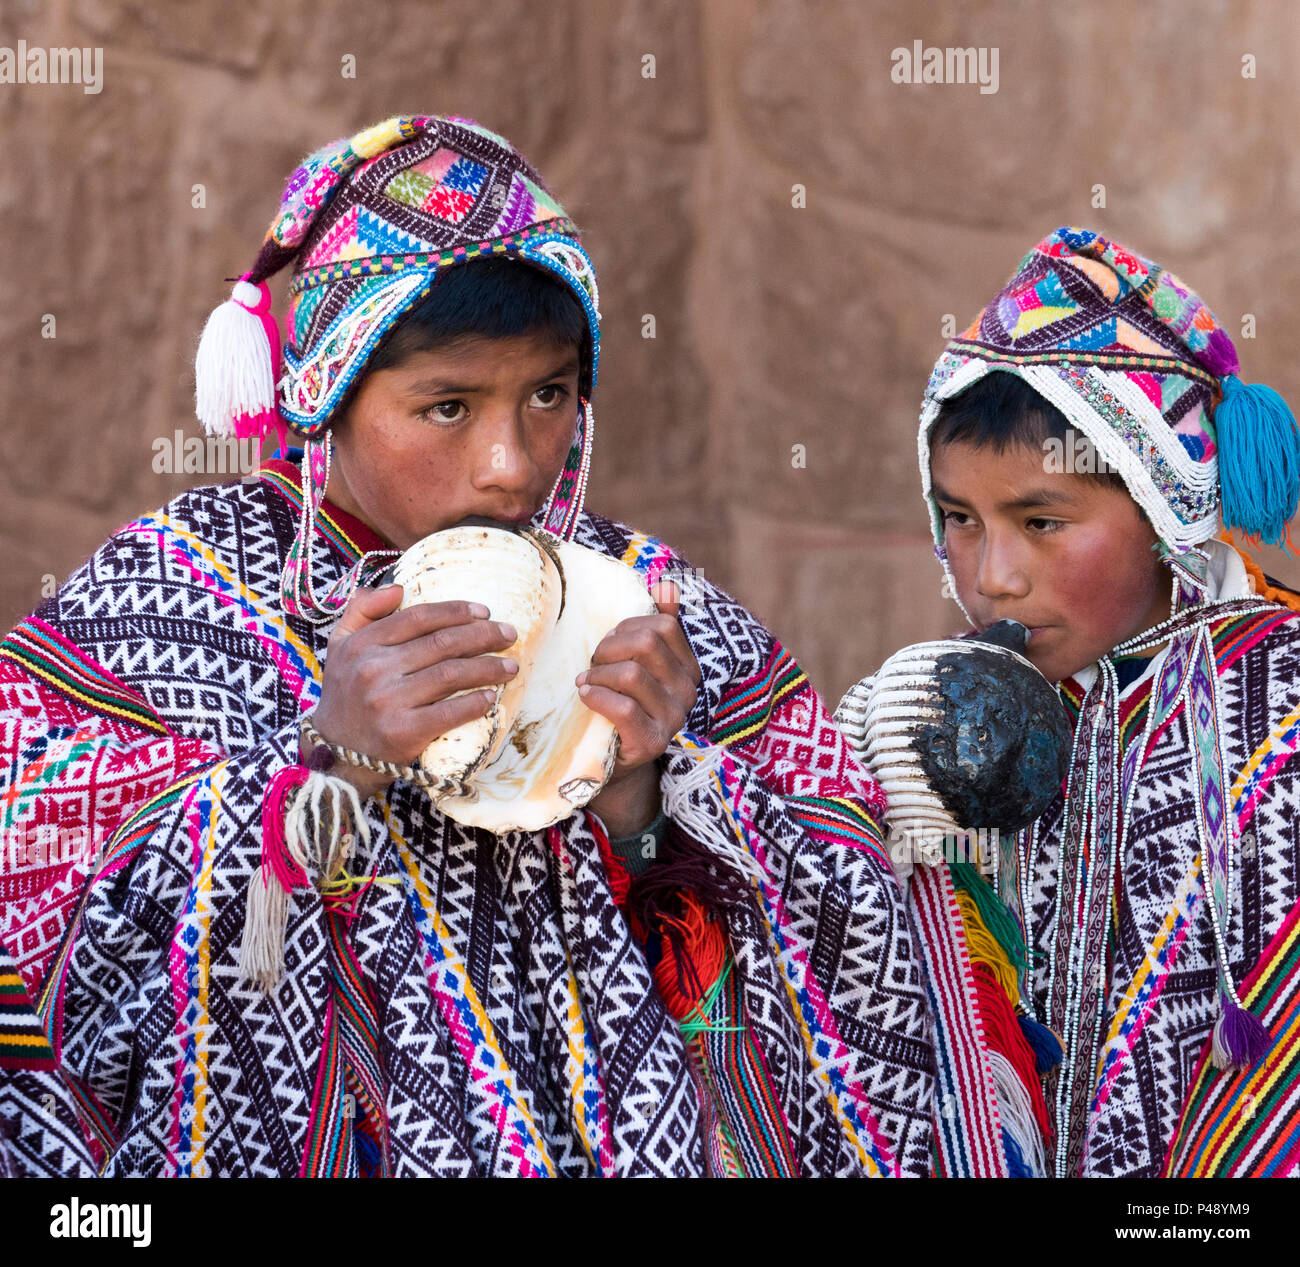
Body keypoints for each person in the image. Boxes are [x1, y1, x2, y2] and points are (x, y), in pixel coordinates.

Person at [0, 114, 934, 1177]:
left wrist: (648, 801)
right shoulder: (158, 600)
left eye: (547, 395)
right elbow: (51, 959)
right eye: (446, 405)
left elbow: (865, 947)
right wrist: (326, 763)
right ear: (326, 398)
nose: (508, 464)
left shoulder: (655, 606)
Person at [841, 227, 1300, 1178]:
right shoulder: (921, 719)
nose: (993, 576)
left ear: (1165, 508)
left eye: (1043, 521)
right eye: (959, 519)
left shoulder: (1281, 709)